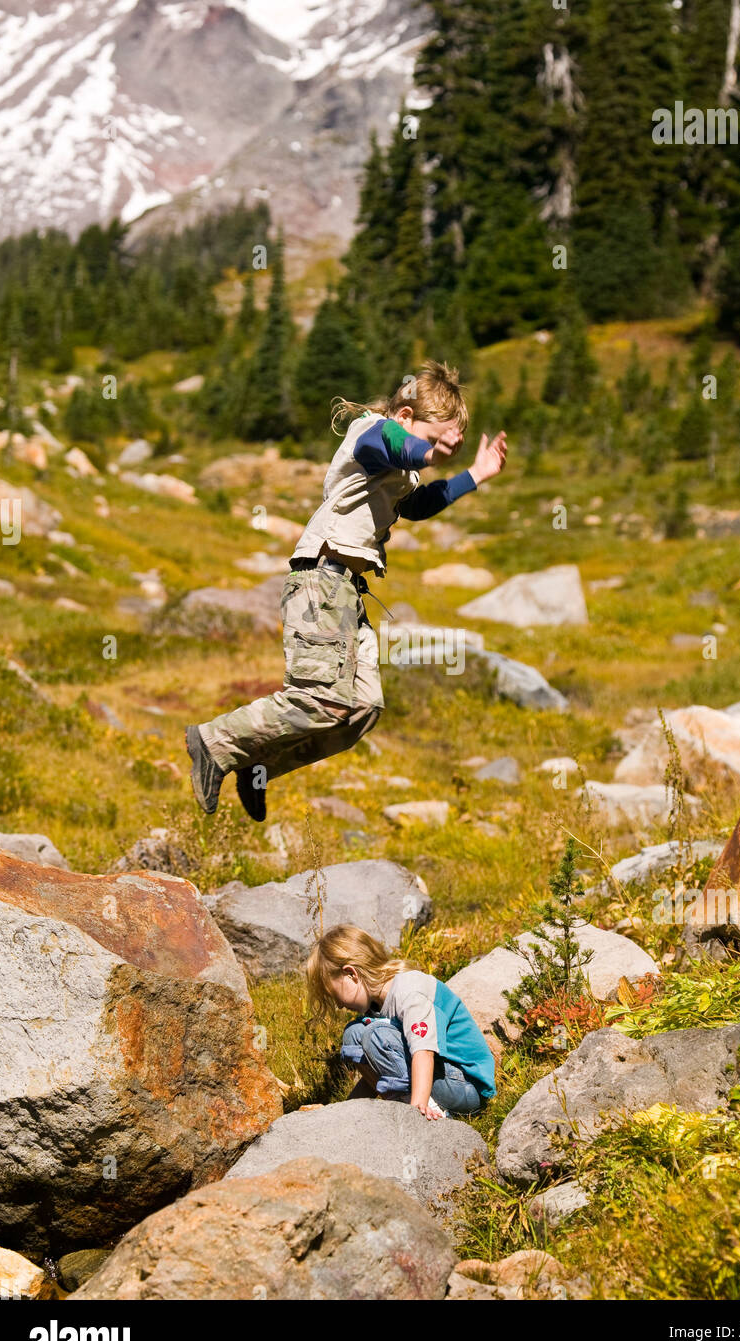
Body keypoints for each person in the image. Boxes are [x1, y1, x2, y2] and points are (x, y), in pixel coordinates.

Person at [185, 360, 507, 821]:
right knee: (321, 699)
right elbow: (392, 444)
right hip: (320, 578)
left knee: (361, 708)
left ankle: (257, 762)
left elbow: (414, 506)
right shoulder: (371, 433)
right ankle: (213, 741)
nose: (436, 451)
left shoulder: (401, 465)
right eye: (433, 438)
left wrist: (475, 473)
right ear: (405, 418)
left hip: (345, 591)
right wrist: (427, 451)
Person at [305, 925, 496, 1120]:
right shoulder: (377, 1006)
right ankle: (402, 1108)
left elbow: (424, 1053)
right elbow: (375, 1076)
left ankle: (420, 1112)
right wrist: (344, 1114)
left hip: (465, 1086)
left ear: (351, 974)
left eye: (334, 994)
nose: (338, 1005)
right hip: (438, 1079)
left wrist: (415, 1113)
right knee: (354, 1033)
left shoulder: (409, 992)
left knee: (375, 1036)